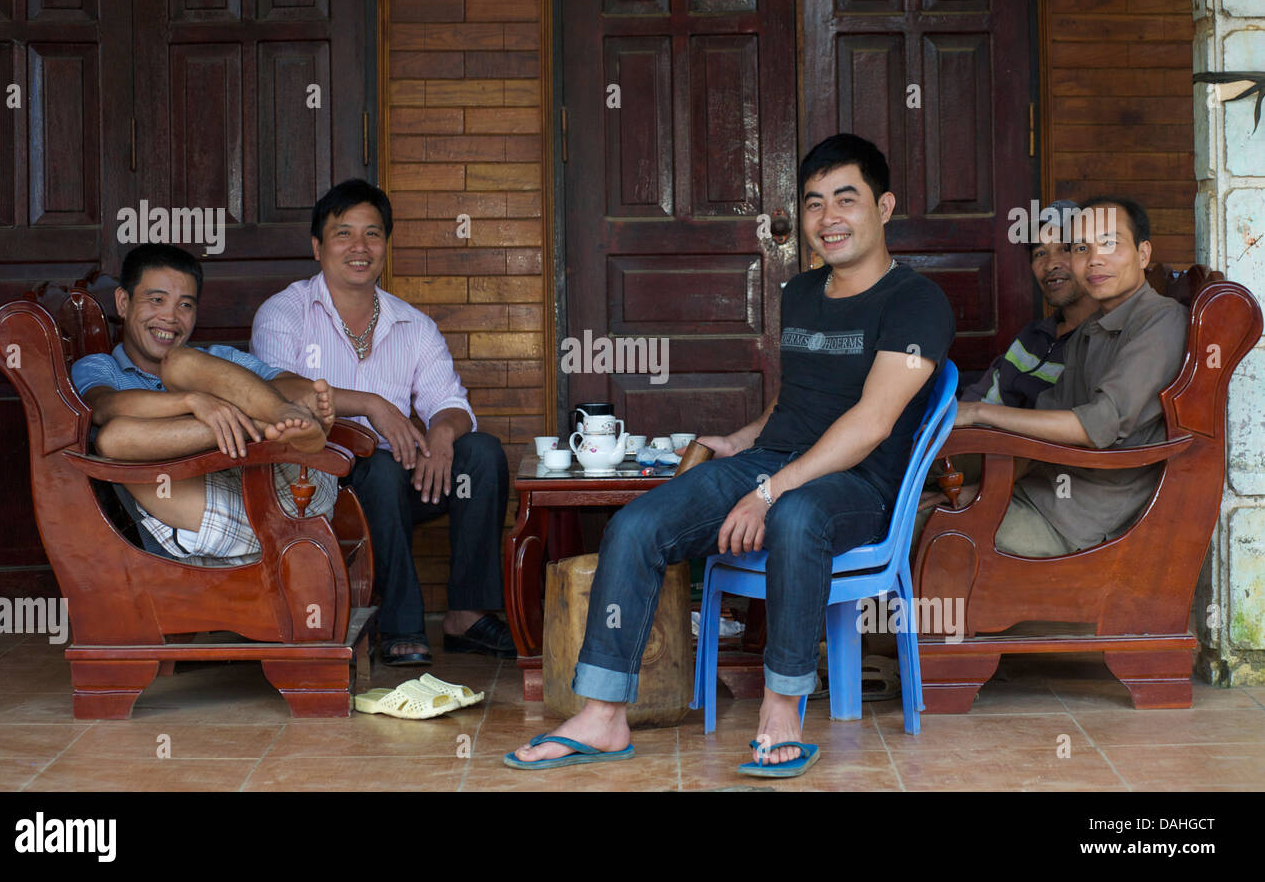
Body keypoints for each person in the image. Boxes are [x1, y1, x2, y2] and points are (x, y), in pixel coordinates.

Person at [507, 134, 955, 776]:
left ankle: (782, 709)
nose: (829, 218)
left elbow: (872, 422)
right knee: (638, 523)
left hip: (857, 486)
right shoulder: (801, 293)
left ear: (883, 208)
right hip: (773, 463)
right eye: (814, 202)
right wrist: (741, 444)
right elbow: (796, 402)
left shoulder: (917, 303)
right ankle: (603, 715)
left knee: (799, 518)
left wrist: (769, 492)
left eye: (846, 199)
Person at [252, 179, 512, 667]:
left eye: (372, 234)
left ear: (385, 246)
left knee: (480, 455)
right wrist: (371, 404)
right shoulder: (285, 313)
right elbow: (275, 389)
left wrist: (441, 431)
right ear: (317, 246)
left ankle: (467, 615)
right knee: (382, 469)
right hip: (316, 478)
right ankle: (399, 624)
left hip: (398, 481)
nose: (359, 247)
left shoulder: (412, 325)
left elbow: (451, 402)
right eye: (343, 233)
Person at [943, 196, 1188, 556]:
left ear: (1144, 254)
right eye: (1081, 248)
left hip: (1079, 520)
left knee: (938, 538)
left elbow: (1098, 425)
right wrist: (980, 492)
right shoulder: (1091, 328)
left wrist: (978, 413)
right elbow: (1042, 436)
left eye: (1109, 243)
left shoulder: (1161, 321)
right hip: (1039, 493)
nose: (1094, 259)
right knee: (920, 513)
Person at [71, 244, 337, 566]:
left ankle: (276, 417)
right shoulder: (99, 367)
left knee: (180, 363)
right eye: (156, 300)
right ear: (124, 303)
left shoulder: (217, 359)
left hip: (291, 486)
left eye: (185, 305)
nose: (170, 317)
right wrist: (195, 402)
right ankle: (261, 426)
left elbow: (301, 388)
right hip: (221, 516)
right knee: (113, 438)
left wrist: (366, 405)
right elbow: (104, 407)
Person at [961, 200, 1099, 409]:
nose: (1051, 264)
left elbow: (1085, 428)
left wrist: (979, 415)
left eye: (1065, 249)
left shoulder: (1105, 340)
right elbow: (981, 397)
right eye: (1040, 253)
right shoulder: (1032, 337)